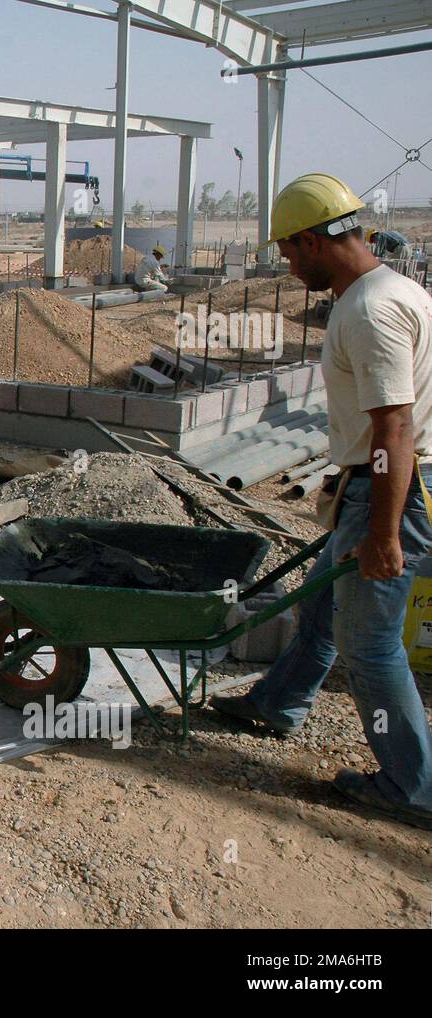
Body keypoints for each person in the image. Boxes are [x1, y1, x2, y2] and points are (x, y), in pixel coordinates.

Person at [210, 172, 432, 831]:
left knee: (369, 645)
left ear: (312, 241)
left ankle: (411, 785)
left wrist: (384, 533)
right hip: (371, 482)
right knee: (319, 607)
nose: (285, 262)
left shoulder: (368, 311)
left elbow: (395, 426)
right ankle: (279, 703)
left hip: (388, 487)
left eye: (287, 250)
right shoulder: (399, 289)